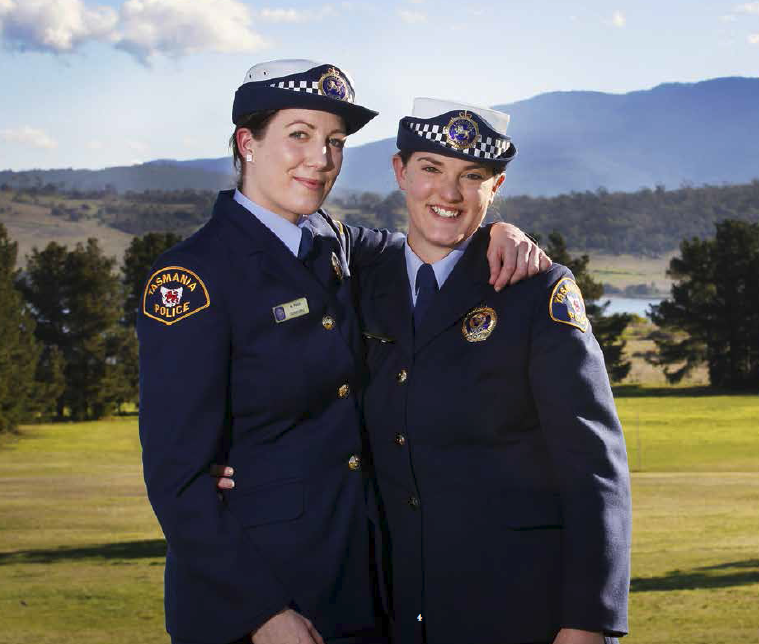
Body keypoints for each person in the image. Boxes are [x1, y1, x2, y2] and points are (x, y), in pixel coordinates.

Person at [138, 61, 548, 644]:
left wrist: (498, 233)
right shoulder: (192, 277)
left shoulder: (336, 243)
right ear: (246, 143)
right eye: (299, 135)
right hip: (259, 603)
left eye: (334, 142)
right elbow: (176, 480)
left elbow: (433, 237)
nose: (321, 158)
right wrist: (260, 612)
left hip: (358, 588)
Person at [354, 99, 632, 644]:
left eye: (471, 176)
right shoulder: (362, 281)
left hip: (518, 607)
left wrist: (588, 622)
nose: (449, 193)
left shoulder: (536, 291)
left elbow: (593, 466)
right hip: (392, 607)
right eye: (431, 169)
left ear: (495, 185)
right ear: (399, 172)